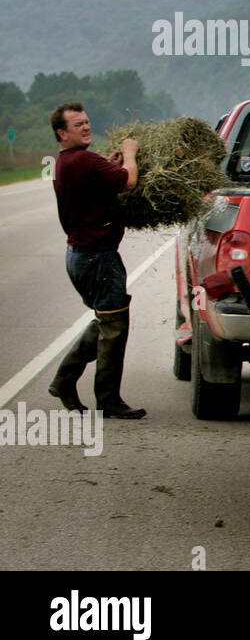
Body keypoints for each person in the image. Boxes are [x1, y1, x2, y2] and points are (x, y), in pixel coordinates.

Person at [47, 102, 146, 418]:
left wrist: (111, 164)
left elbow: (100, 180)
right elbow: (128, 181)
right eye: (78, 124)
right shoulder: (84, 160)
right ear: (62, 133)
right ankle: (108, 399)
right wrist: (129, 153)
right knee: (115, 326)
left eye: (87, 122)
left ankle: (64, 381)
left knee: (107, 320)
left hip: (80, 256)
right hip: (97, 258)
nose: (86, 127)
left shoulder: (68, 162)